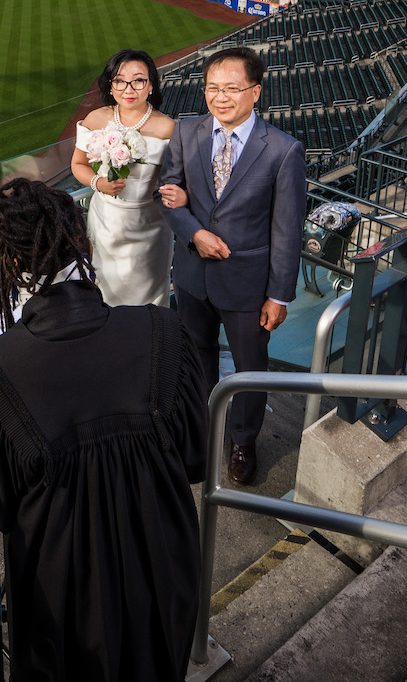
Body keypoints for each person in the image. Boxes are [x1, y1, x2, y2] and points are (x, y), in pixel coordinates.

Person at [0, 179, 207, 682]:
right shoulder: (165, 332)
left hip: (63, 604)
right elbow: (194, 459)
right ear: (87, 246)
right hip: (168, 575)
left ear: (9, 267)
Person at [158, 46, 307, 486]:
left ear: (255, 92)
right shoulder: (187, 132)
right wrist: (193, 231)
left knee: (249, 368)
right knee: (197, 356)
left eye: (231, 89)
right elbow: (166, 192)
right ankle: (203, 427)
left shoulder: (283, 150)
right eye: (212, 88)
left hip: (249, 284)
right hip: (192, 278)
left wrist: (279, 295)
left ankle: (244, 439)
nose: (220, 98)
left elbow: (287, 230)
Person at [70, 50, 177, 306]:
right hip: (105, 222)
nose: (128, 88)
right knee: (104, 290)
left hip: (150, 225)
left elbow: (176, 180)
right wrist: (99, 183)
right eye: (119, 80)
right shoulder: (96, 119)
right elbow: (77, 163)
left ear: (150, 85)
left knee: (150, 297)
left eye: (138, 80)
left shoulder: (168, 127)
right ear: (111, 84)